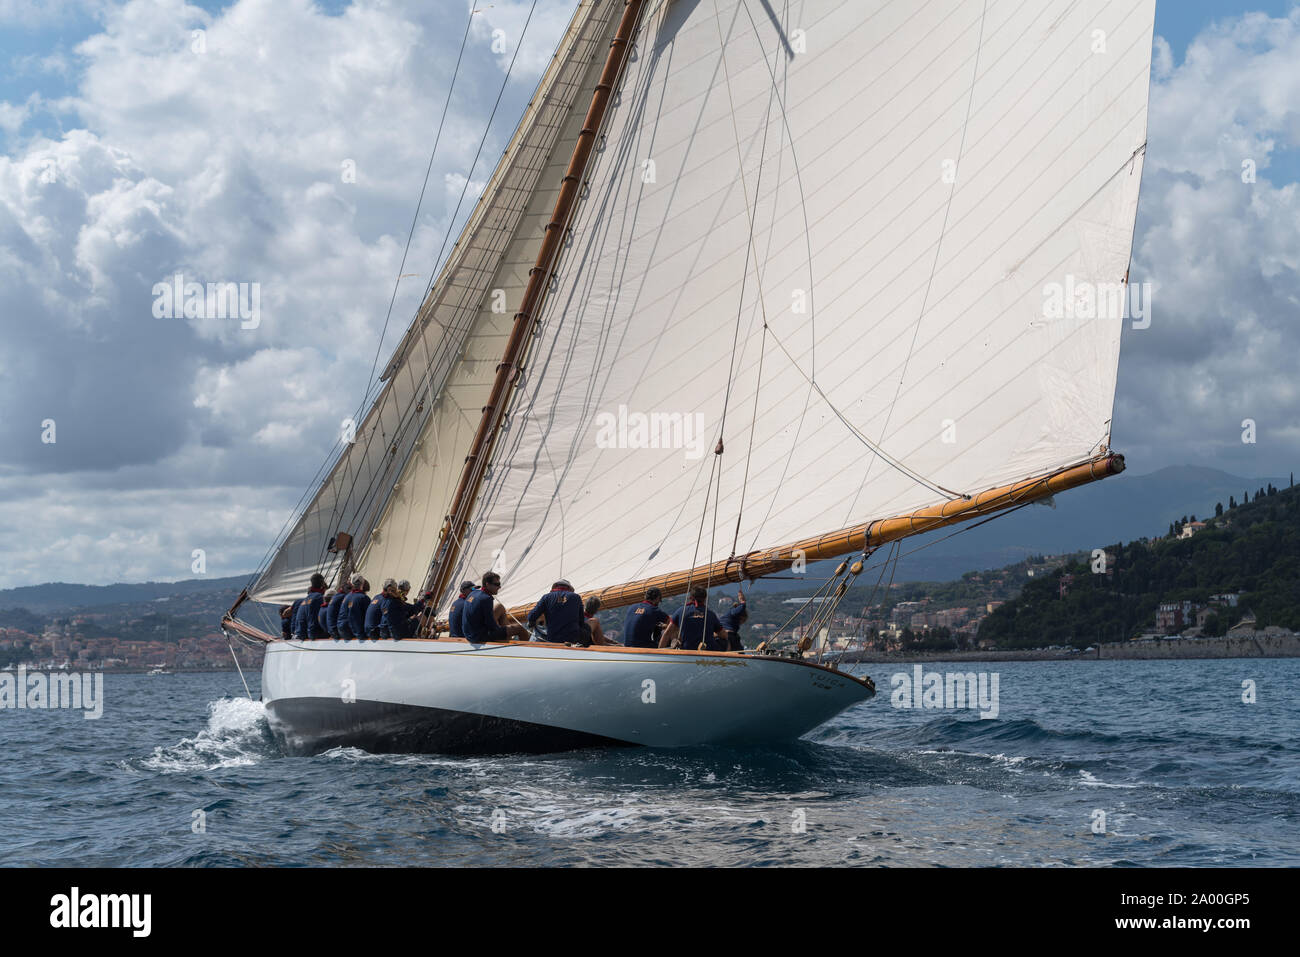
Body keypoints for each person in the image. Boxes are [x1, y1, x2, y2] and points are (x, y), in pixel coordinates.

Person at [463, 571, 530, 643]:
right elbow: (490, 624)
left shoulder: (473, 593)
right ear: (487, 584)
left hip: (469, 634)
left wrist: (504, 629)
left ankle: (508, 638)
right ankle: (528, 651)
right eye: (497, 584)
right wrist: (503, 631)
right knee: (519, 629)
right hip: (479, 636)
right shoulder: (486, 598)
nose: (499, 587)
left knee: (499, 607)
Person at [527, 578, 588, 645]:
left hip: (553, 639)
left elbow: (531, 616)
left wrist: (532, 622)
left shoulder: (546, 597)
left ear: (554, 587)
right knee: (586, 629)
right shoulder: (576, 597)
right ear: (569, 588)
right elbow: (581, 621)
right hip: (573, 639)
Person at [668, 585, 727, 651]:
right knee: (727, 639)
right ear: (705, 599)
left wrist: (658, 651)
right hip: (708, 653)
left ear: (691, 597)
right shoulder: (711, 614)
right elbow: (724, 635)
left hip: (686, 651)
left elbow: (667, 633)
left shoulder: (681, 611)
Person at [295, 573, 329, 640]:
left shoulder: (305, 600)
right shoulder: (320, 598)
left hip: (300, 635)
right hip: (313, 635)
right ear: (322, 583)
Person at [339, 573, 371, 639]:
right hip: (354, 634)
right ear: (363, 583)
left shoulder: (346, 597)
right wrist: (361, 636)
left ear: (351, 584)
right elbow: (368, 619)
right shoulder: (363, 598)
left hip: (342, 632)